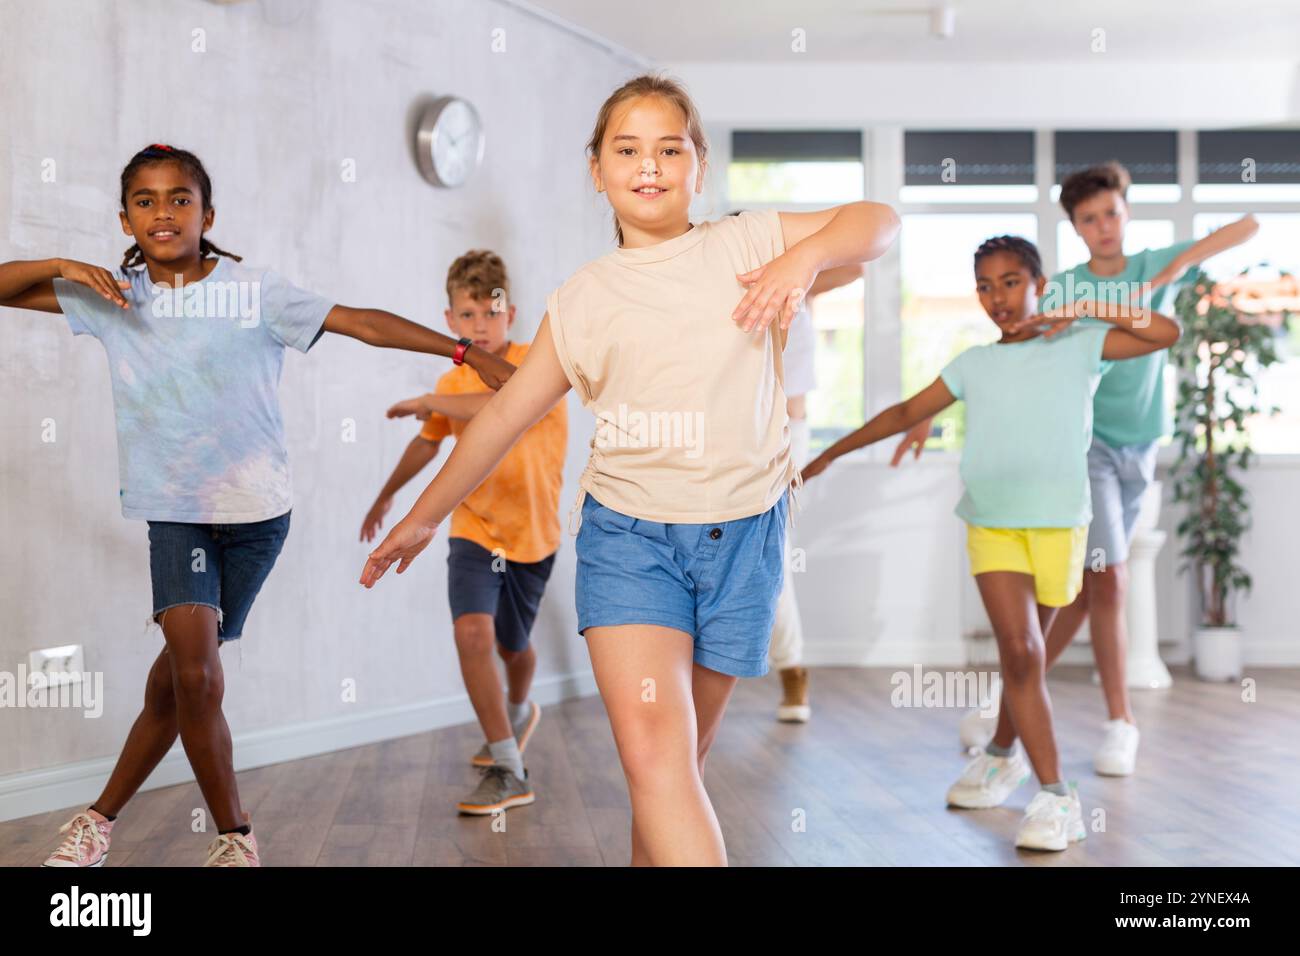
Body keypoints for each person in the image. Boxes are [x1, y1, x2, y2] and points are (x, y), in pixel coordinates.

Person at [360, 74, 900, 865]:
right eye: (627, 149)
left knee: (678, 771)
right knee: (658, 762)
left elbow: (877, 222)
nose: (649, 164)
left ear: (697, 165)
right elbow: (504, 416)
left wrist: (806, 259)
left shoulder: (746, 242)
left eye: (668, 148)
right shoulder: (582, 300)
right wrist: (423, 514)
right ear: (597, 169)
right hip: (631, 542)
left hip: (744, 539)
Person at [0, 144, 513, 868]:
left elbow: (359, 321)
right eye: (144, 201)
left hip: (259, 519)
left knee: (176, 685)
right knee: (200, 677)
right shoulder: (115, 297)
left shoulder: (253, 292)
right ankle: (235, 838)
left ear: (209, 214)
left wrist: (466, 352)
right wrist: (60, 264)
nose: (163, 212)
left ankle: (98, 818)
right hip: (176, 515)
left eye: (180, 198)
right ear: (124, 217)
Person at [803, 236, 1180, 850]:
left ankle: (1003, 752)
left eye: (1009, 282)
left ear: (1038, 283)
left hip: (1059, 526)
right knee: (1022, 650)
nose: (997, 297)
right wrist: (826, 457)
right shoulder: (974, 363)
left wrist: (1089, 310)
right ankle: (1059, 798)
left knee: (1023, 659)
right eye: (984, 285)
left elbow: (1166, 332)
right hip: (991, 523)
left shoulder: (1080, 347)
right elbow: (902, 412)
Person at [894, 163, 1257, 777]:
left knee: (1084, 595)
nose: (1103, 227)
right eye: (1088, 219)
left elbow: (1246, 226)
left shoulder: (1150, 268)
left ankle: (1008, 698)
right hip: (1084, 446)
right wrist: (932, 408)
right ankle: (1121, 722)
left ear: (1126, 213)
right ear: (1074, 228)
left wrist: (1166, 275)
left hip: (1142, 446)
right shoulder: (1060, 288)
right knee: (1110, 578)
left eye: (1111, 213)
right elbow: (1013, 346)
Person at [362, 250, 566, 815]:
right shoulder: (452, 375)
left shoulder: (535, 363)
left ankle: (521, 709)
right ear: (450, 321)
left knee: (512, 646)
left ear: (512, 314)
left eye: (491, 314)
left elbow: (504, 401)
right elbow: (429, 442)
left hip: (534, 536)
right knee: (473, 635)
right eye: (469, 316)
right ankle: (507, 765)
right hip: (473, 529)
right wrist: (387, 493)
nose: (482, 326)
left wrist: (430, 401)